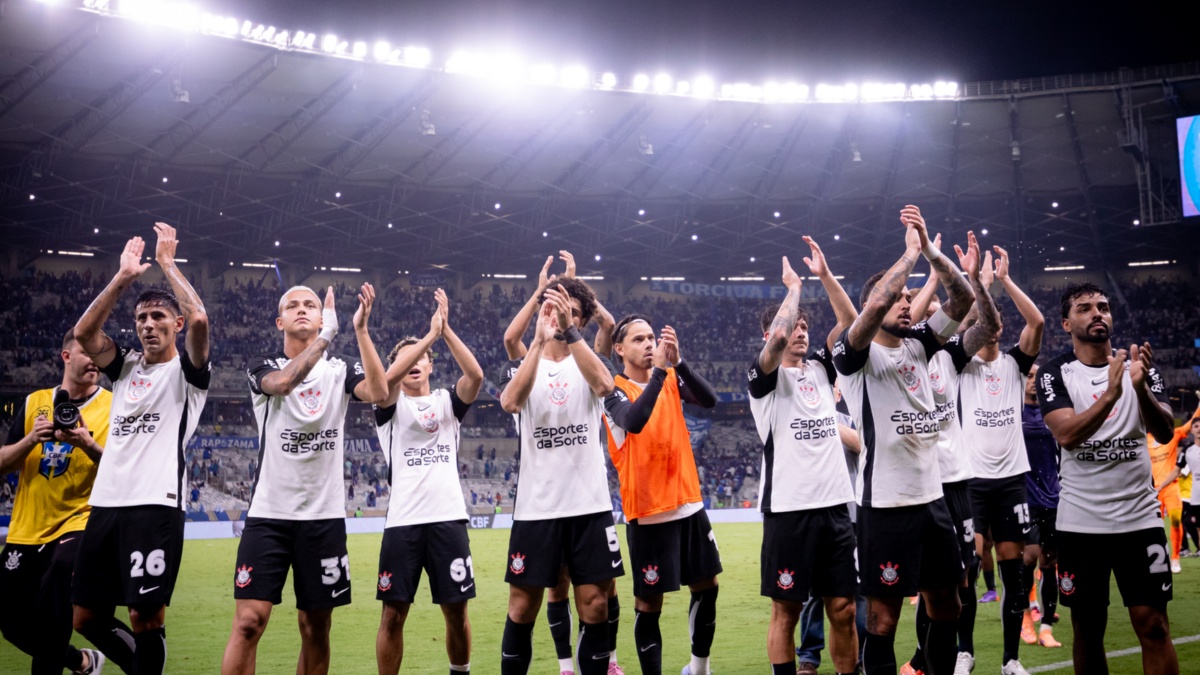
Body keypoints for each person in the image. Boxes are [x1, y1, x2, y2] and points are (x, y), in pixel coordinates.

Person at [831, 206, 983, 675]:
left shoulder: (921, 344)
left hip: (933, 500)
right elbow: (875, 304)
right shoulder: (852, 356)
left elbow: (961, 300)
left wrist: (933, 254)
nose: (906, 302)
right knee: (882, 617)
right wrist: (908, 255)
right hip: (884, 506)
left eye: (909, 296)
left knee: (948, 605)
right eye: (899, 296)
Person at [221, 282, 388, 674]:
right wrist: (328, 336)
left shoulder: (341, 368)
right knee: (248, 622)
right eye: (292, 305)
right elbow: (282, 385)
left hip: (323, 519)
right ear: (280, 320)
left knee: (316, 628)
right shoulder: (263, 364)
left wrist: (360, 331)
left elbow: (380, 392)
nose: (301, 309)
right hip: (269, 515)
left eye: (310, 305)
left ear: (320, 316)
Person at [70, 223, 211, 674]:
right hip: (106, 505)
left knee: (145, 616)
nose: (149, 325)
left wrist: (167, 266)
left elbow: (203, 320)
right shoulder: (125, 366)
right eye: (142, 319)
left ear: (176, 324)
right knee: (85, 616)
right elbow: (84, 333)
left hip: (155, 506)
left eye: (158, 318)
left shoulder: (189, 373)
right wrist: (122, 278)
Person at [1036, 282, 1179, 675]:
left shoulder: (1139, 367)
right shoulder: (1055, 374)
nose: (1098, 313)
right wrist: (1113, 393)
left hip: (1140, 519)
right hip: (1081, 524)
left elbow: (1166, 432)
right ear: (1066, 323)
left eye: (1103, 306)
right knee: (1087, 629)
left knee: (1153, 625)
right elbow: (1066, 434)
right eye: (1085, 308)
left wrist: (1139, 388)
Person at [502, 252, 621, 675]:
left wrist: (571, 323)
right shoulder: (526, 361)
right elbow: (510, 400)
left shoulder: (587, 361)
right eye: (553, 309)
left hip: (588, 505)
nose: (559, 317)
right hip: (538, 508)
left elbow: (606, 384)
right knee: (522, 606)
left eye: (569, 312)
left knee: (594, 603)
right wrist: (537, 335)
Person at [748, 239, 860, 675]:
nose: (801, 331)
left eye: (805, 326)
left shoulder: (820, 369)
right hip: (788, 511)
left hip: (835, 506)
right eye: (795, 326)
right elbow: (777, 336)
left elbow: (852, 326)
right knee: (787, 611)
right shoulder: (764, 379)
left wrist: (825, 279)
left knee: (844, 608)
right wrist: (793, 289)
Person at [902, 239, 1003, 675]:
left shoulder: (950, 354)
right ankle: (923, 660)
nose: (928, 309)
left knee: (963, 580)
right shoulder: (889, 357)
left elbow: (986, 321)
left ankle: (949, 654)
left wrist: (976, 281)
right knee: (930, 588)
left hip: (958, 483)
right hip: (918, 486)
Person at [0, 329, 124, 674]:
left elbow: (124, 468)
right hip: (27, 529)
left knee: (56, 596)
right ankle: (82, 661)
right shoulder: (32, 402)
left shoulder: (115, 407)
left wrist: (88, 444)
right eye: (88, 352)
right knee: (9, 623)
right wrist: (30, 440)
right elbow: (3, 462)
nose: (95, 360)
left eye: (100, 354)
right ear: (66, 356)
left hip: (79, 521)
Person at [373, 289, 483, 675]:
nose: (413, 362)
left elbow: (476, 375)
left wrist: (445, 331)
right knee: (392, 615)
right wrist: (426, 338)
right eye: (404, 359)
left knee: (456, 611)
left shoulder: (446, 403)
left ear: (432, 365)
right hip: (402, 523)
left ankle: (460, 673)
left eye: (421, 358)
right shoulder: (387, 405)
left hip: (447, 519)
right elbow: (384, 383)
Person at [604, 310, 720, 675]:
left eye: (652, 337)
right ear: (619, 349)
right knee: (649, 602)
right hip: (649, 510)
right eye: (639, 339)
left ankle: (698, 669)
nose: (649, 343)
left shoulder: (670, 376)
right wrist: (659, 372)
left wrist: (680, 363)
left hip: (688, 502)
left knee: (707, 585)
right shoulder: (612, 392)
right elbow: (634, 421)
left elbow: (709, 399)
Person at [948, 244, 1041, 675]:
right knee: (967, 570)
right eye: (990, 321)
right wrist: (978, 283)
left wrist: (1003, 280)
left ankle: (1010, 660)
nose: (996, 326)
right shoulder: (962, 367)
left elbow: (1036, 322)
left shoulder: (1015, 366)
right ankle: (965, 652)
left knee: (1015, 572)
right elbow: (964, 323)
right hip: (972, 483)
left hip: (1010, 482)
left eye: (998, 322)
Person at [1020, 364, 1063, 649]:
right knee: (1029, 558)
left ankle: (1046, 625)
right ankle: (1025, 617)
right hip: (1024, 498)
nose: (1034, 381)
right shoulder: (1012, 413)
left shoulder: (1053, 413)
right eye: (1029, 376)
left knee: (1051, 562)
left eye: (1038, 376)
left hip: (1055, 497)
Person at [1147, 393, 1200, 573]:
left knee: (1177, 520)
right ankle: (1157, 559)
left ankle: (1175, 559)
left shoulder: (1172, 435)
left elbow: (1191, 424)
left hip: (1171, 487)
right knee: (1155, 527)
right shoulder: (1143, 439)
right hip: (1152, 490)